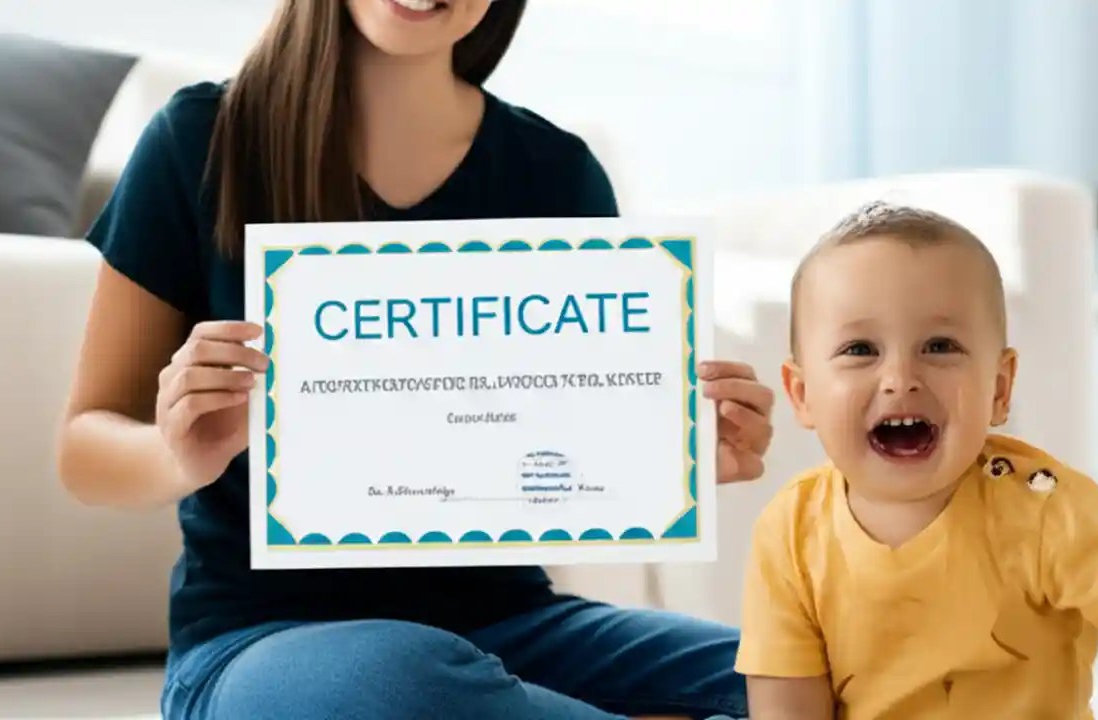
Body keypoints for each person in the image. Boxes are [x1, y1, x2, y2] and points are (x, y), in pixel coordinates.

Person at [55, 1, 777, 718]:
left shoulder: (558, 172)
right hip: (266, 643)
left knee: (805, 669)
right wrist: (183, 455)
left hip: (514, 623)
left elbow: (574, 445)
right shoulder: (202, 140)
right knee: (399, 679)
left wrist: (669, 456)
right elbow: (84, 447)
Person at [734, 202, 1098, 719]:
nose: (900, 377)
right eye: (861, 349)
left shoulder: (1042, 505)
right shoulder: (790, 531)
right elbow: (786, 698)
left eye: (939, 345)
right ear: (802, 394)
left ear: (999, 389)